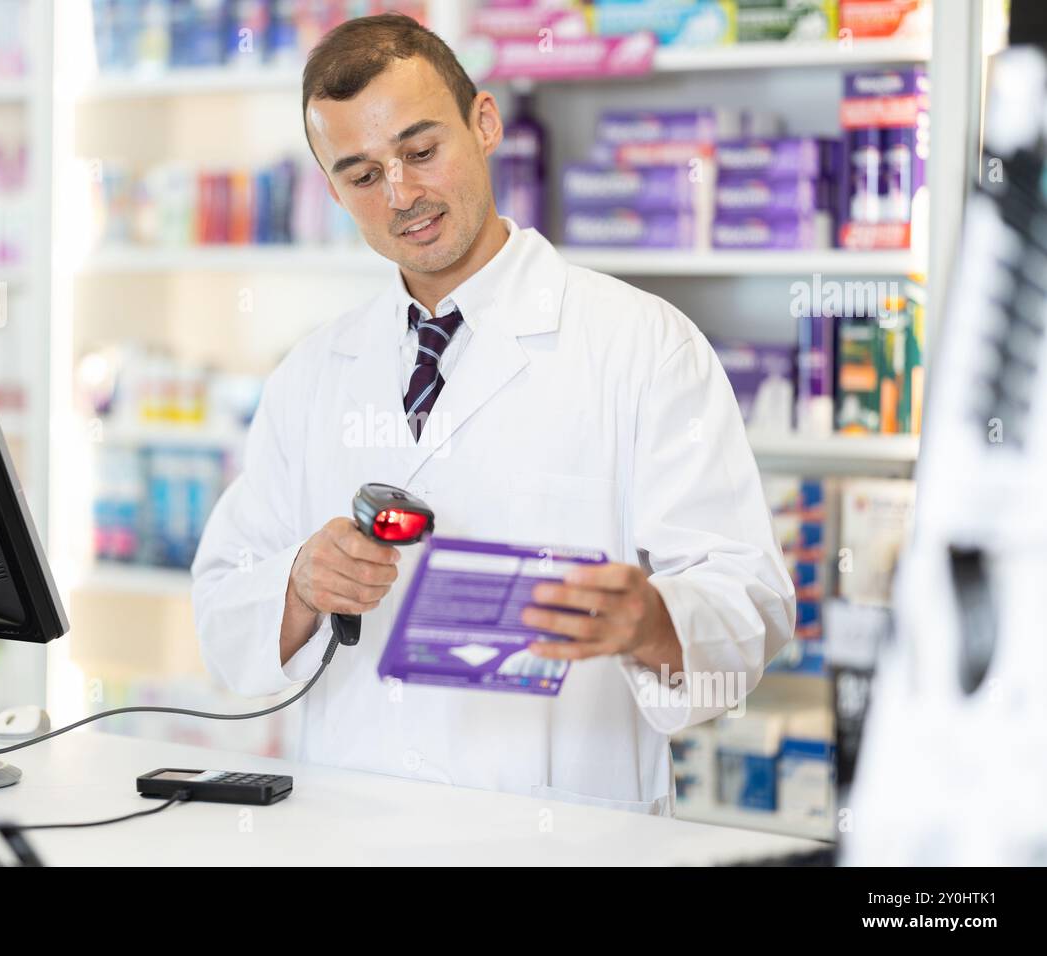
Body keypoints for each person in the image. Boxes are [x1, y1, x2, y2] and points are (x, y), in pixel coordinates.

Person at [192, 13, 794, 814]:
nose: (401, 193)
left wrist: (649, 619)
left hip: (567, 832)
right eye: (363, 174)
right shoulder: (310, 373)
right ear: (332, 190)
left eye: (420, 149)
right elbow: (225, 611)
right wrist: (300, 584)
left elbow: (750, 602)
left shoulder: (642, 345)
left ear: (484, 122)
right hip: (352, 832)